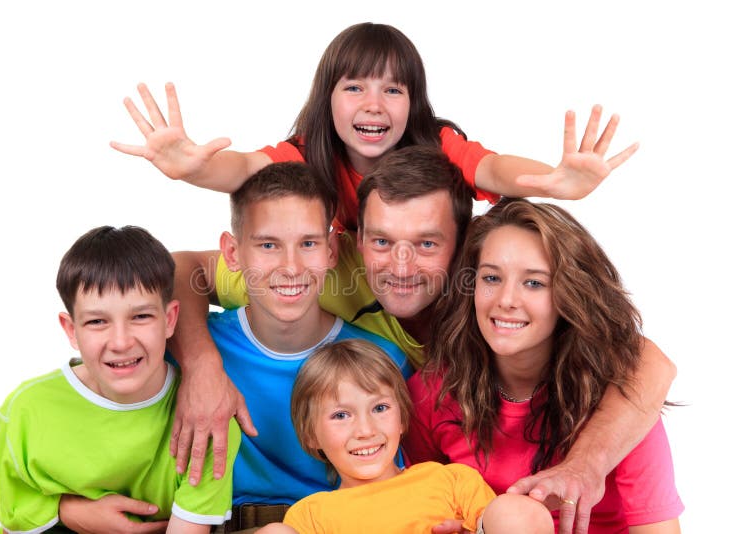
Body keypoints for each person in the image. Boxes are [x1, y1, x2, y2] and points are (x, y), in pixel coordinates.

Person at [169, 146, 676, 534]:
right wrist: (201, 365)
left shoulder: (616, 408)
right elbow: (179, 273)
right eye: (382, 241)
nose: (402, 266)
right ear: (353, 245)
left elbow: (649, 364)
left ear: (460, 251)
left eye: (427, 243)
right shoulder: (424, 384)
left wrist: (585, 466)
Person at [62, 162, 412, 532]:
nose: (291, 267)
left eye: (308, 244)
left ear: (331, 251)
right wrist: (65, 508)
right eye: (268, 245)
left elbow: (408, 480)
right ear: (232, 253)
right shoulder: (184, 346)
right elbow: (77, 410)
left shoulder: (382, 359)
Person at [111, 22, 637, 233]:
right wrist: (191, 169)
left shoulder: (436, 145)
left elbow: (495, 168)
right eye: (355, 87)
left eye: (393, 90)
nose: (374, 105)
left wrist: (554, 181)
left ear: (413, 102)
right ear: (328, 98)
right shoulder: (308, 155)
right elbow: (244, 168)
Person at [405, 198, 684, 533]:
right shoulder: (432, 393)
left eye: (534, 283)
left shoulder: (620, 405)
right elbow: (422, 507)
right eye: (491, 278)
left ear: (570, 295)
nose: (506, 300)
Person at [0, 226, 241, 534]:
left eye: (141, 317)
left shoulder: (205, 420)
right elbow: (16, 515)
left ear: (170, 319)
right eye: (97, 321)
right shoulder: (26, 411)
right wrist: (66, 511)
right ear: (71, 330)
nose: (121, 342)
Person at [256, 338, 554, 534]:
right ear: (311, 435)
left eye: (380, 408)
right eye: (341, 415)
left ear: (402, 418)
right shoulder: (311, 515)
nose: (365, 430)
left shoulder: (449, 480)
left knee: (518, 512)